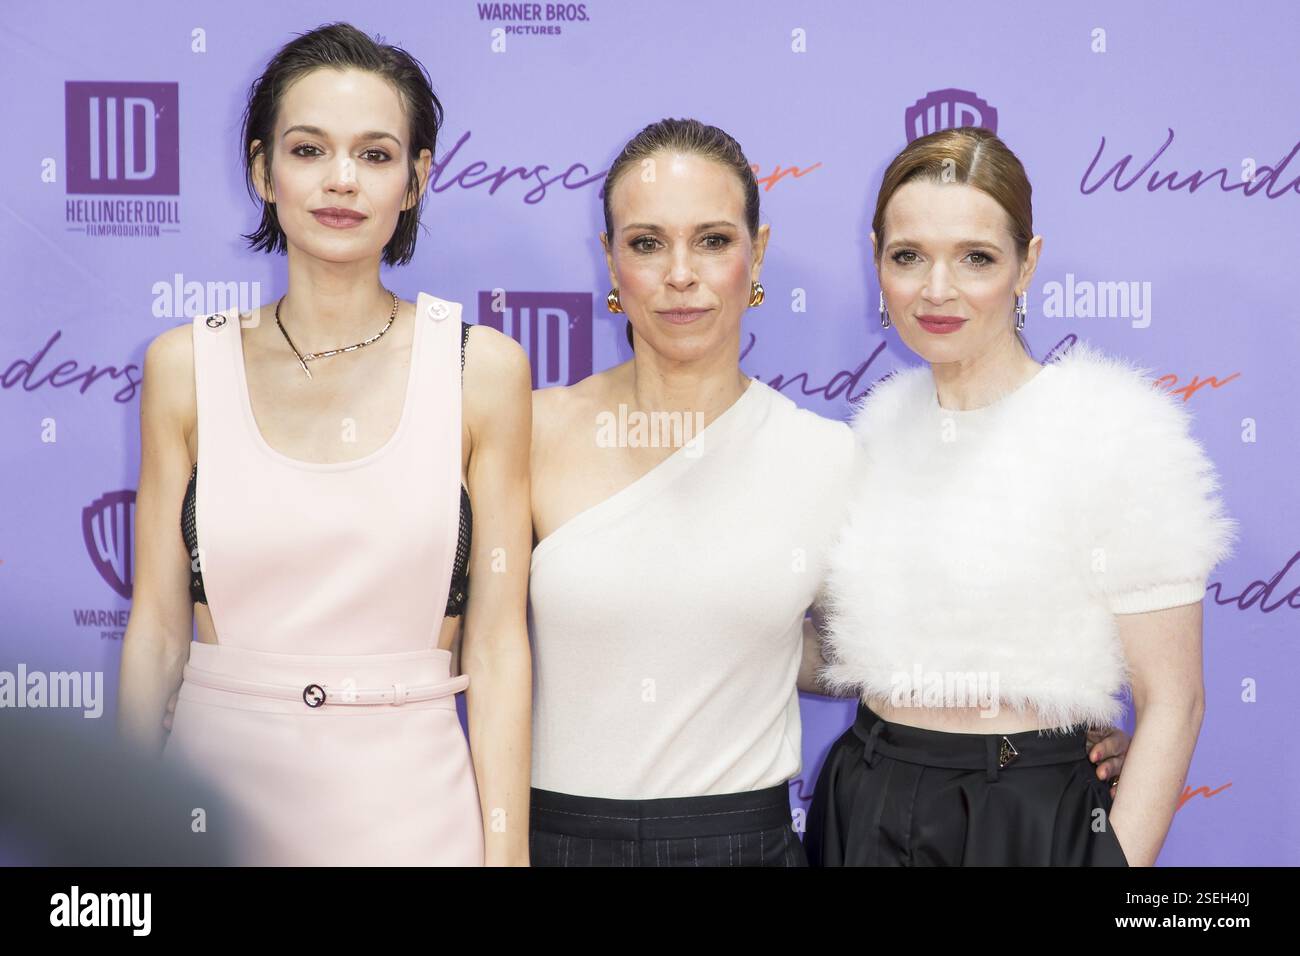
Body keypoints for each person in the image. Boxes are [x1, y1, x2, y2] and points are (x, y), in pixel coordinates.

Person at [525, 118, 1131, 867]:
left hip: (750, 843)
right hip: (551, 838)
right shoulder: (530, 432)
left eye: (713, 240)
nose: (681, 273)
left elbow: (866, 647)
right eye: (646, 242)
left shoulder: (831, 458)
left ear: (758, 255)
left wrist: (1050, 738)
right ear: (611, 261)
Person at [118, 22, 533, 866]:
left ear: (417, 180)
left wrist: (508, 852)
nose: (341, 180)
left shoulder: (481, 369)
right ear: (262, 169)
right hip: (211, 805)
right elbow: (158, 630)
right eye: (309, 150)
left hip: (414, 808)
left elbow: (494, 647)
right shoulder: (183, 365)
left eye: (376, 155)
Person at [805, 126, 1236, 867]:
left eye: (976, 258)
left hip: (1032, 819)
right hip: (866, 798)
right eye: (908, 256)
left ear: (1027, 264)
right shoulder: (875, 430)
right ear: (877, 261)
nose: (937, 290)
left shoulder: (1116, 430)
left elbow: (1176, 703)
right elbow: (849, 653)